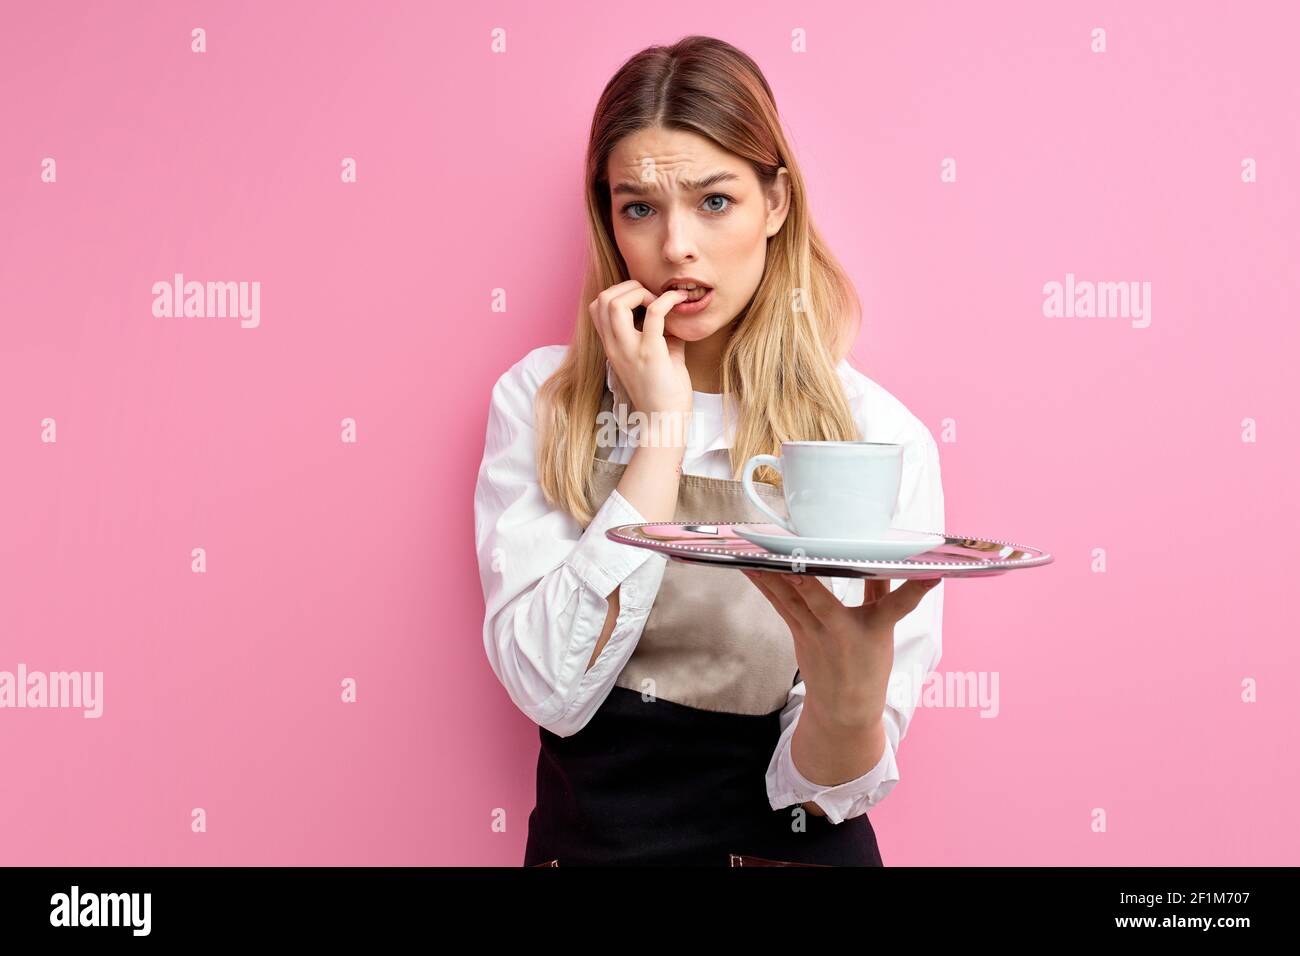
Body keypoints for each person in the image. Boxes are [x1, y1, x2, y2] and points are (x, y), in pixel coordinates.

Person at [473, 35, 945, 867]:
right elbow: (551, 691)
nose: (677, 247)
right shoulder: (540, 402)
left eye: (715, 201)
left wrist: (849, 698)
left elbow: (828, 792)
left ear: (777, 204)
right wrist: (659, 430)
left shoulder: (873, 438)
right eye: (639, 207)